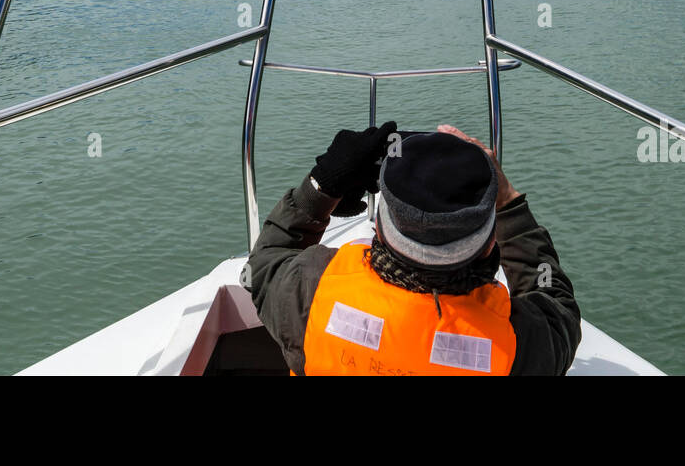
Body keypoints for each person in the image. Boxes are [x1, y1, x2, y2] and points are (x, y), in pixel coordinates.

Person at [244, 119, 581, 375]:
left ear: (380, 226)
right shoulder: (519, 344)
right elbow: (557, 304)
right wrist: (508, 203)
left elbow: (264, 264)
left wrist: (322, 183)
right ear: (490, 242)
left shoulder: (309, 290)